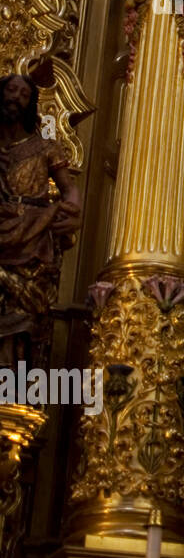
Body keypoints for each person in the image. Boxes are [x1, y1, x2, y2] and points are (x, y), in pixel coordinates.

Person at [0, 74, 81, 368]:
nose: (15, 98)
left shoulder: (45, 147)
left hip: (31, 235)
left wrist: (71, 212)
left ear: (30, 103)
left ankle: (12, 389)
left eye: (23, 94)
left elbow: (69, 189)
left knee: (22, 314)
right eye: (11, 90)